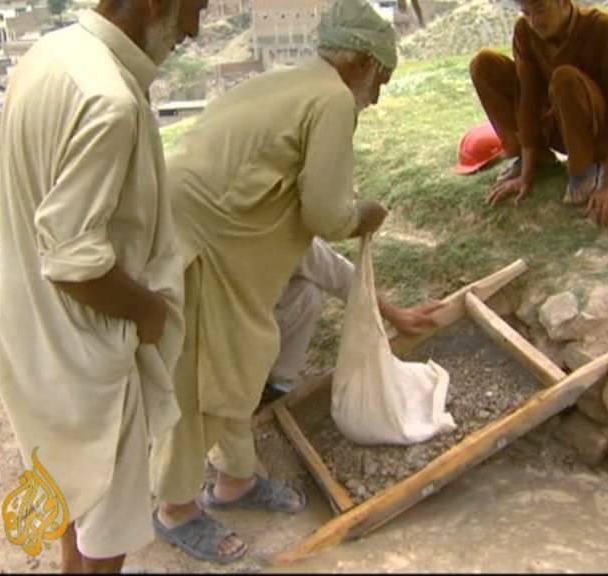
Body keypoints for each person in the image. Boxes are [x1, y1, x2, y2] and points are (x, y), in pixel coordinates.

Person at [149, 0, 400, 564]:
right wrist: (365, 215)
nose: (377, 96)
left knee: (235, 363)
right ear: (360, 62)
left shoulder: (284, 84)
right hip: (199, 249)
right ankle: (176, 509)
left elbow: (284, 206)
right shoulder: (333, 98)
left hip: (209, 242)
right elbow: (324, 215)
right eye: (380, 78)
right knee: (194, 382)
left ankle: (235, 480)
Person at [0, 0, 205, 572]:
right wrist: (151, 312)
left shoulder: (51, 55)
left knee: (68, 485)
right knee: (107, 523)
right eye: (194, 8)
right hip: (90, 347)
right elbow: (74, 261)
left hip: (27, 325)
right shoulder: (108, 98)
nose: (195, 29)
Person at [469, 0, 608, 227]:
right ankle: (538, 158)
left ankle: (584, 170)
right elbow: (527, 98)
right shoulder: (525, 30)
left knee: (564, 78)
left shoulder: (607, 29)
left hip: (594, 133)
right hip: (557, 125)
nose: (534, 21)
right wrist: (527, 172)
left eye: (540, 9)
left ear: (563, 2)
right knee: (483, 64)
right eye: (526, 12)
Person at [263, 238, 441, 405]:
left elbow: (337, 272)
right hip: (239, 339)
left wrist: (393, 314)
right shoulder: (278, 235)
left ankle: (275, 387)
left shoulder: (265, 222)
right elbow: (340, 274)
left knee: (305, 293)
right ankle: (250, 389)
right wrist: (393, 314)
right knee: (307, 293)